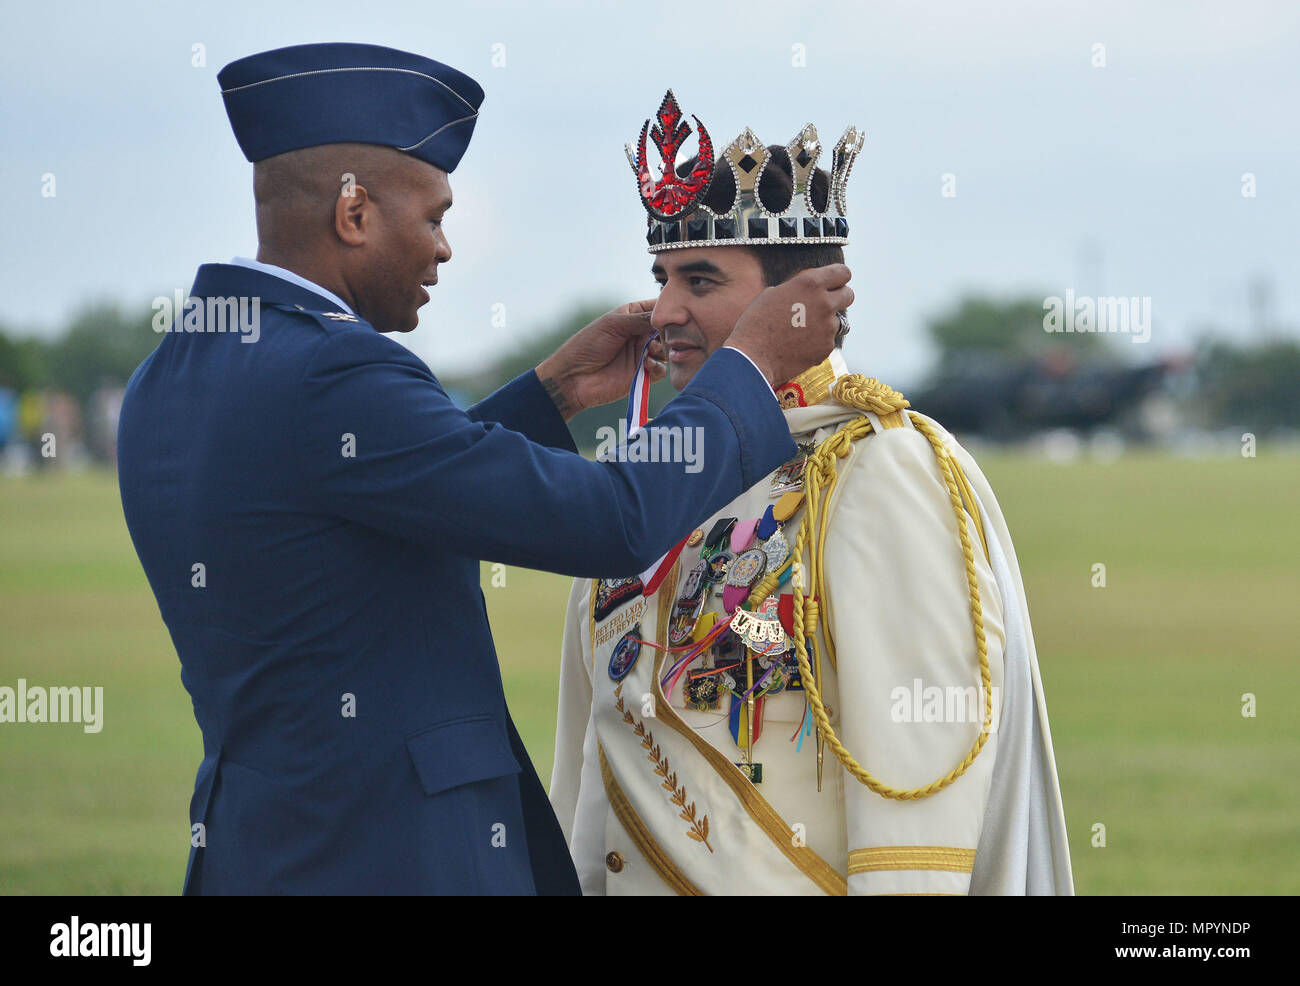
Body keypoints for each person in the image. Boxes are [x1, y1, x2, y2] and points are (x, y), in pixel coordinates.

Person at [116, 46, 852, 895]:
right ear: (353, 212)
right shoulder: (335, 372)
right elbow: (611, 519)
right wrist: (751, 365)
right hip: (391, 858)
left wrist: (556, 392)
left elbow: (361, 506)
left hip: (259, 851)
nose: (445, 249)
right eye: (432, 217)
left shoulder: (173, 373)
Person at [549, 93, 1074, 895]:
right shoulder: (650, 474)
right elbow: (599, 765)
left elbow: (917, 779)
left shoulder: (878, 466)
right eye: (659, 278)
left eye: (699, 278)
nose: (663, 310)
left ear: (799, 304)